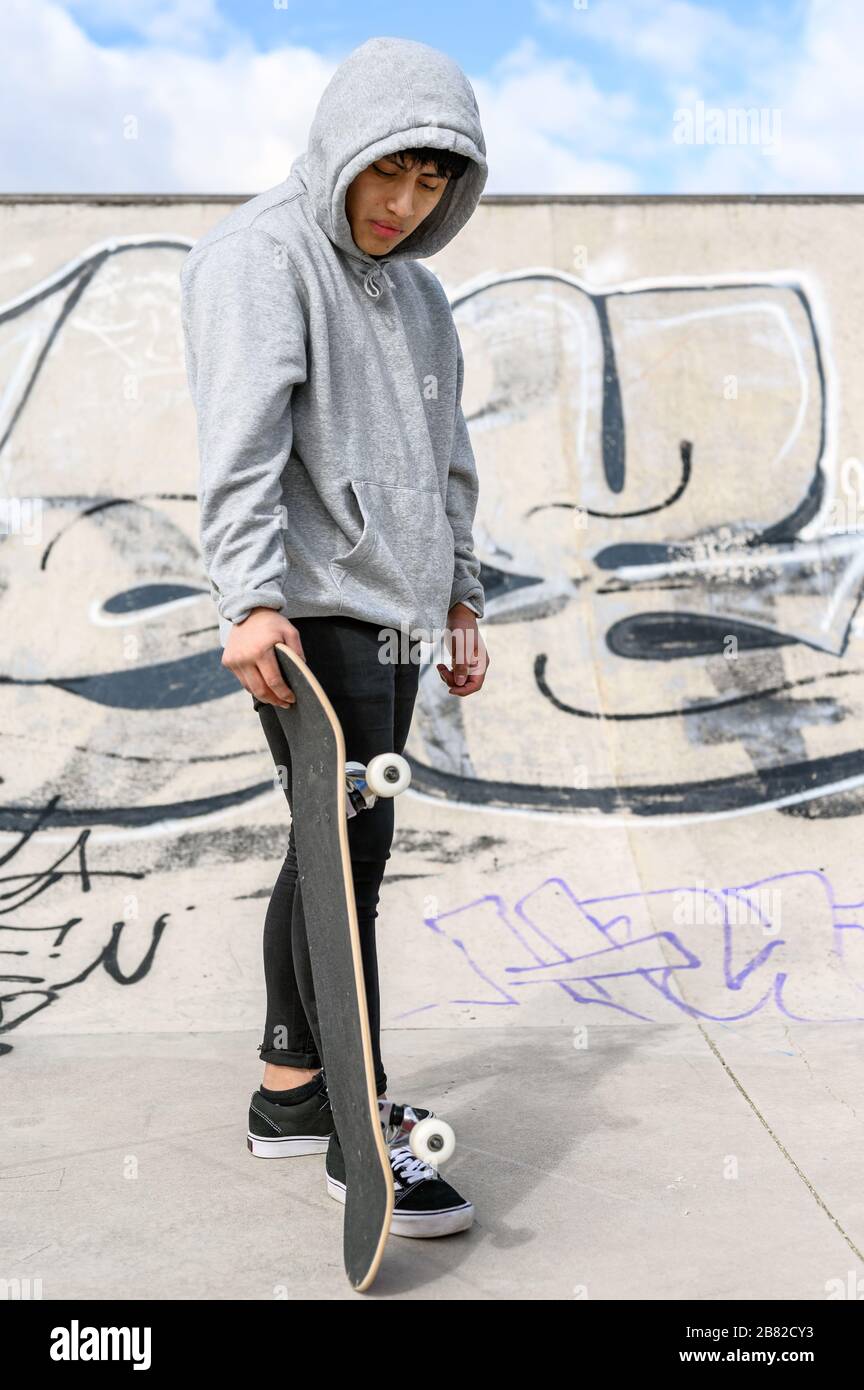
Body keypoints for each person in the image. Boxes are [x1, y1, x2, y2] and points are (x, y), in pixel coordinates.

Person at [180, 36, 490, 1237]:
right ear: (344, 148)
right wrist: (247, 596)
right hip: (307, 613)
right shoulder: (263, 255)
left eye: (432, 185)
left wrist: (460, 590)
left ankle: (288, 1092)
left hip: (400, 613)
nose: (405, 207)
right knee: (349, 861)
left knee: (334, 850)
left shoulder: (417, 290)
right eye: (389, 176)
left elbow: (449, 448)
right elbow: (242, 439)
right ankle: (359, 1128)